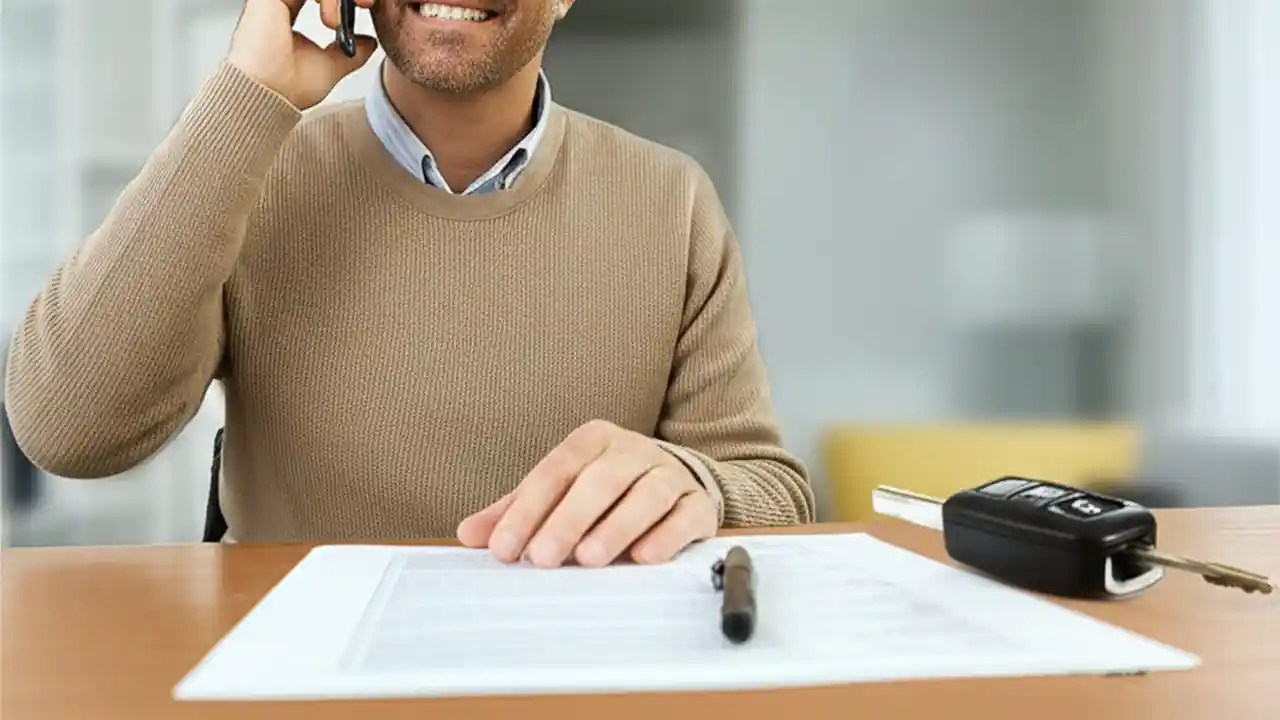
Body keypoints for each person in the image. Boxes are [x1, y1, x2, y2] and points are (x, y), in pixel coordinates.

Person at [3, 0, 813, 566]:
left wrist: (698, 486)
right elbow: (65, 430)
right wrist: (252, 90)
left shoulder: (670, 199)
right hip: (299, 683)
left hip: (570, 674)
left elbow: (773, 489)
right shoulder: (248, 169)